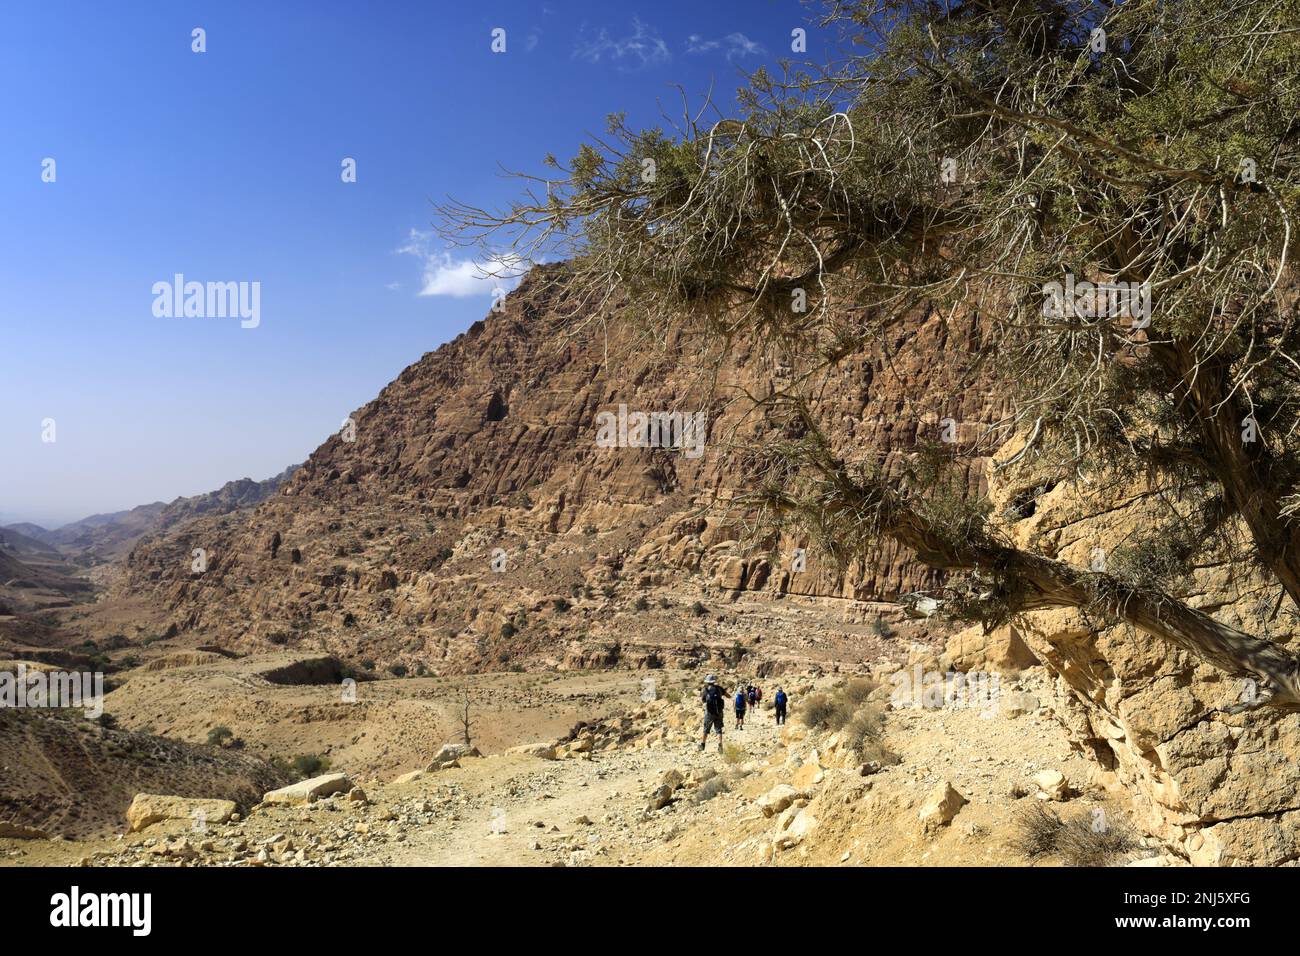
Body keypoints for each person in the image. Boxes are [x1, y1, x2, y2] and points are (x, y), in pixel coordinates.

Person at [699, 674, 726, 752]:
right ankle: (720, 746)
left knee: (706, 729)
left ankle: (702, 745)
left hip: (709, 712)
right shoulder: (719, 688)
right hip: (719, 712)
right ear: (714, 681)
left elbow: (703, 700)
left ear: (707, 682)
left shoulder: (705, 689)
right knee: (719, 729)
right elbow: (728, 695)